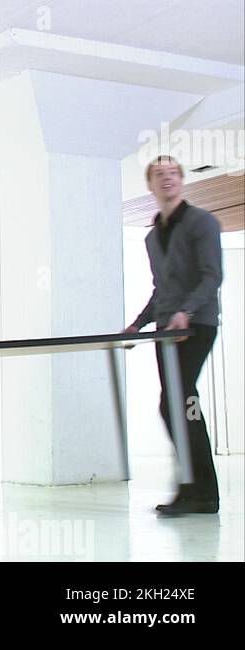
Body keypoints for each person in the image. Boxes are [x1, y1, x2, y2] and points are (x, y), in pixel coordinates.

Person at [125, 155, 223, 515]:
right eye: (158, 174)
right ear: (150, 186)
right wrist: (138, 323)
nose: (166, 178)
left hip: (197, 327)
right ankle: (195, 490)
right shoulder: (153, 237)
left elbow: (211, 276)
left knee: (179, 403)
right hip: (166, 333)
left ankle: (201, 492)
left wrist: (188, 311)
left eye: (172, 173)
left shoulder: (202, 222)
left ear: (182, 181)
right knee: (178, 405)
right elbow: (161, 289)